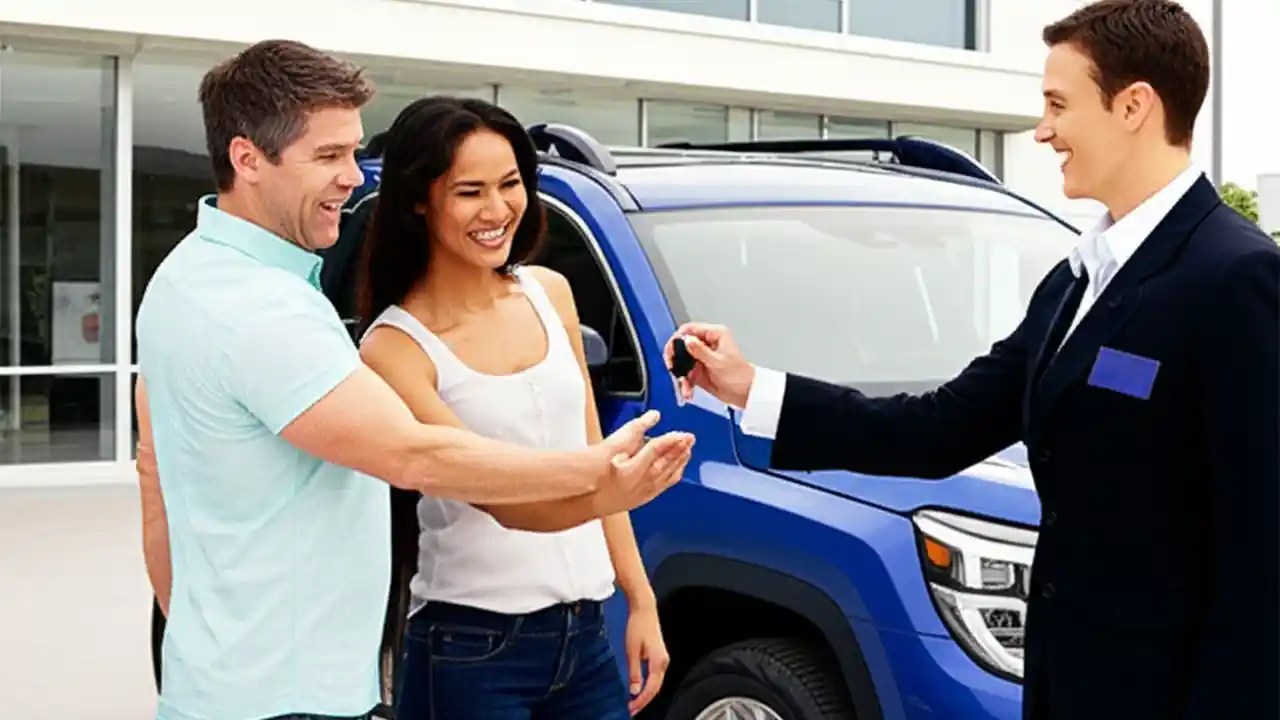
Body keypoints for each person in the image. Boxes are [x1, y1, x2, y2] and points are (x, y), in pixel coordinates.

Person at [664, 2, 1278, 719]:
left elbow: (1264, 559)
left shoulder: (1236, 277)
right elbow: (939, 427)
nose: (1043, 129)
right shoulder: (1078, 281)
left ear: (1134, 105)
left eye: (1057, 103)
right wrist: (752, 388)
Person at [133, 40, 693, 720]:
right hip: (301, 696)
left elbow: (155, 473)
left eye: (352, 150)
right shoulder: (267, 311)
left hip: (237, 687)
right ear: (248, 159)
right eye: (329, 155)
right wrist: (600, 473)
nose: (352, 175)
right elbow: (415, 454)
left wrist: (206, 641)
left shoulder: (189, 278)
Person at [354, 95, 673, 720]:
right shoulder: (393, 347)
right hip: (470, 650)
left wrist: (641, 600)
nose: (497, 209)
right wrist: (620, 487)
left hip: (585, 638)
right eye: (470, 191)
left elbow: (588, 456)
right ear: (420, 200)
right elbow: (510, 504)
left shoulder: (551, 292)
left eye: (510, 184)